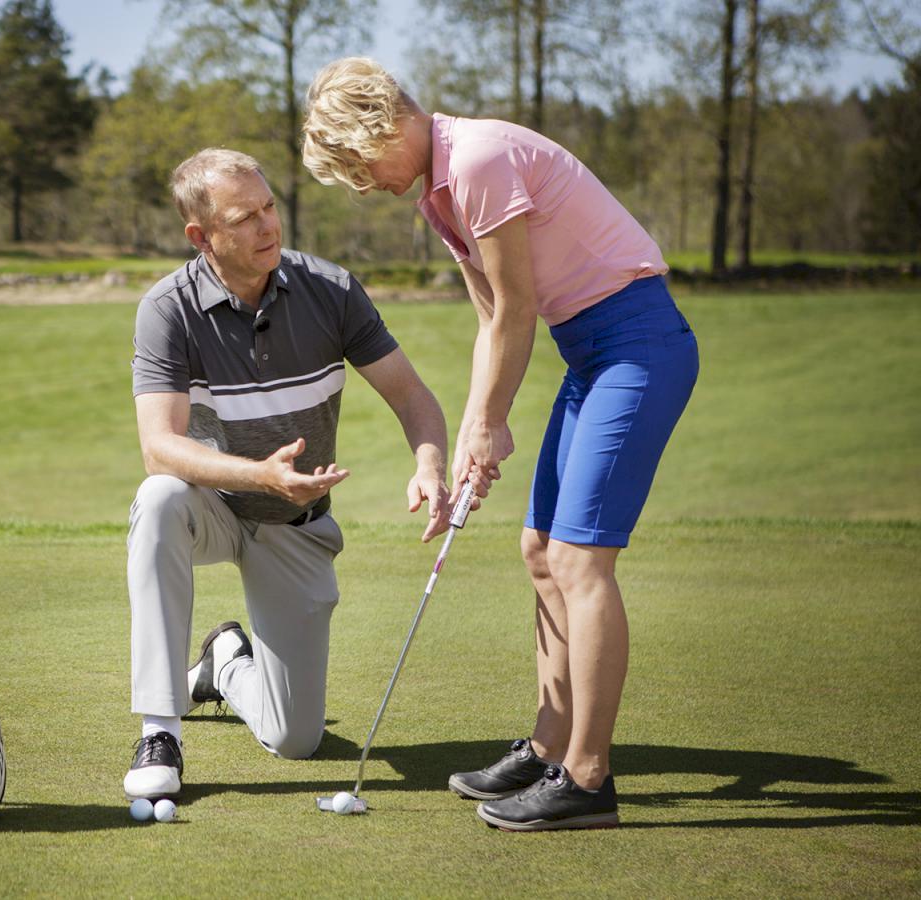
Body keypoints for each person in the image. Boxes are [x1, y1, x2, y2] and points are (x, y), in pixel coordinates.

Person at [301, 57, 700, 830]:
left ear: (382, 127)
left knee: (583, 560)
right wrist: (480, 429)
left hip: (641, 344)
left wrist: (488, 420)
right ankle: (552, 750)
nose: (366, 186)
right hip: (592, 354)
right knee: (540, 548)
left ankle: (588, 778)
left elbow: (519, 309)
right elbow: (491, 320)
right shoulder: (440, 196)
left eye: (360, 166)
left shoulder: (478, 158)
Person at [123, 147, 453, 801]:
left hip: (294, 523)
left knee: (295, 739)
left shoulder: (331, 290)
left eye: (270, 207)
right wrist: (258, 475)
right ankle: (160, 729)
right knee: (158, 499)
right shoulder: (168, 308)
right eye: (245, 217)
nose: (268, 226)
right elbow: (159, 448)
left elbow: (413, 397)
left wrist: (430, 464)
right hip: (213, 507)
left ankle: (224, 663)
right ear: (202, 236)